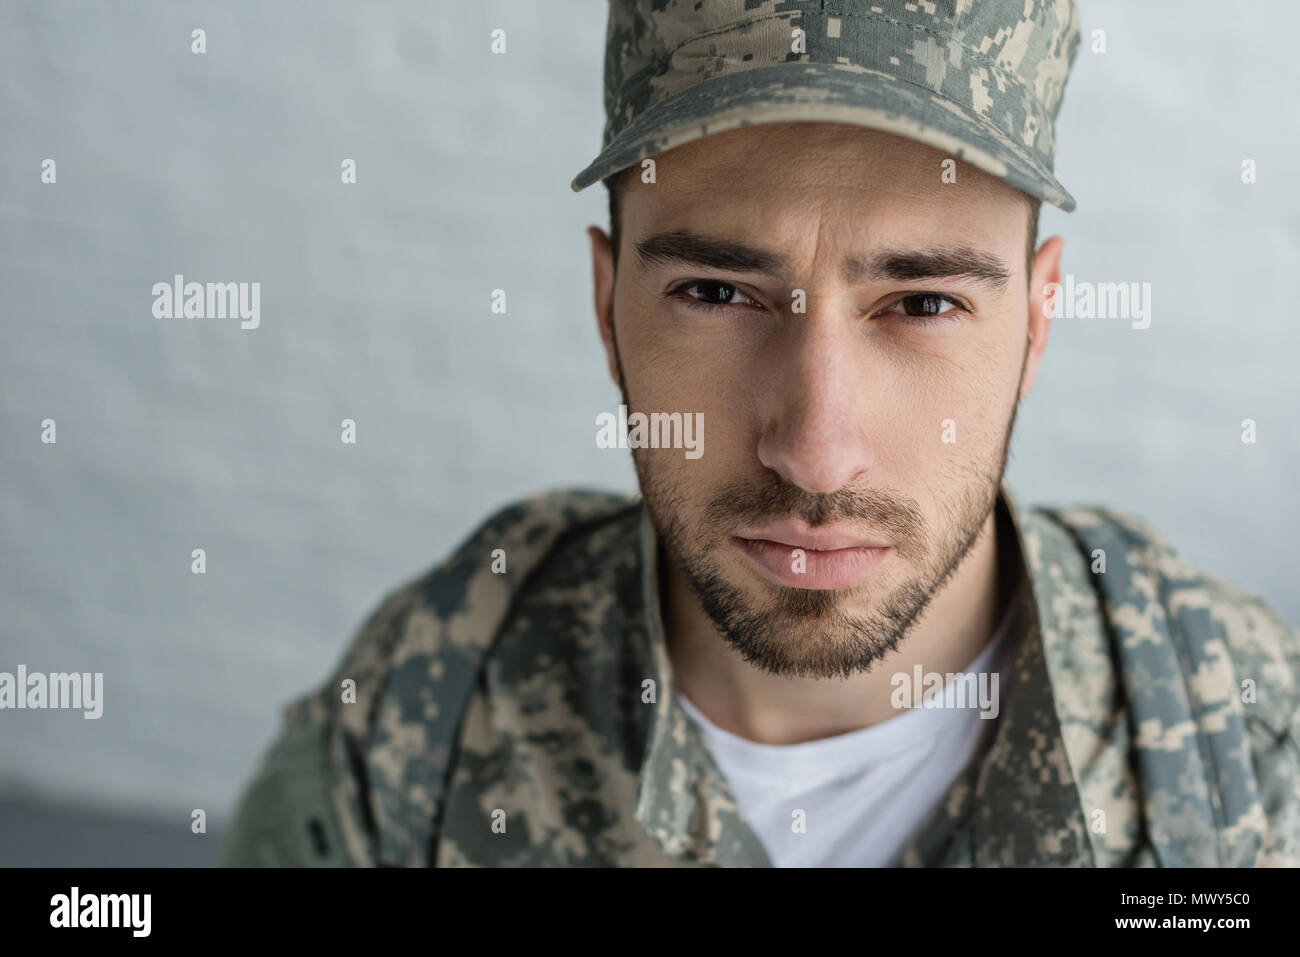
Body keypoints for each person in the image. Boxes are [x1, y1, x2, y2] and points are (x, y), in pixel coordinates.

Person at [220, 0, 1299, 867]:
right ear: (608, 310)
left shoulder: (1237, 737)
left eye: (921, 303)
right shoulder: (436, 692)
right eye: (717, 293)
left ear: (1035, 321)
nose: (817, 453)